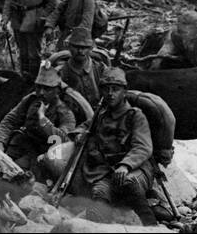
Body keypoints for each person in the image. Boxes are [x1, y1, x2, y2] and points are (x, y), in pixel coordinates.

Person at [67, 67, 156, 223]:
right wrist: (79, 133)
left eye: (115, 89)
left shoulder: (135, 115)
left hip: (136, 169)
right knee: (99, 196)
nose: (110, 93)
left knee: (129, 183)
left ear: (124, 91)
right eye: (106, 89)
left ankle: (151, 225)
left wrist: (125, 166)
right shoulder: (100, 116)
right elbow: (85, 126)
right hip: (106, 172)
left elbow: (142, 147)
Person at [0, 64, 78, 175]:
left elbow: (63, 140)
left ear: (57, 90)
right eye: (38, 87)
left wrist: (42, 118)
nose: (41, 92)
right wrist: (0, 145)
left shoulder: (65, 113)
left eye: (47, 89)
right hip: (21, 145)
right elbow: (10, 120)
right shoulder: (30, 99)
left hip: (44, 155)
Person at [57, 27, 105, 107]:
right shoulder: (61, 72)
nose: (80, 51)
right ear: (69, 46)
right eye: (76, 47)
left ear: (91, 48)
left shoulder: (100, 67)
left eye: (84, 47)